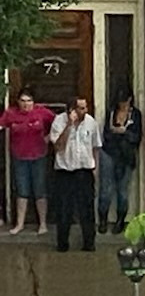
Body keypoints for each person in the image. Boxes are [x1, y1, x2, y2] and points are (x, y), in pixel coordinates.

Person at [48, 96, 100, 252]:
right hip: (65, 172)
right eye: (82, 108)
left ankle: (89, 243)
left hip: (84, 171)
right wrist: (69, 126)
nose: (85, 110)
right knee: (64, 209)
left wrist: (95, 169)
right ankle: (63, 243)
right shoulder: (59, 121)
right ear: (72, 110)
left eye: (85, 107)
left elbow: (95, 146)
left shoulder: (91, 122)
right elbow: (58, 147)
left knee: (87, 209)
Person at [1, 89, 56, 235]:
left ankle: (43, 224)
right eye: (23, 101)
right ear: (18, 102)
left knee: (40, 190)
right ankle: (20, 224)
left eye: (29, 101)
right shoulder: (11, 113)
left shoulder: (42, 112)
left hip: (39, 156)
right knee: (22, 191)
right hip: (19, 157)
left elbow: (58, 122)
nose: (26, 104)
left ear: (34, 102)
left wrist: (50, 136)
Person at [98, 88, 143, 234]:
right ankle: (103, 219)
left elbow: (137, 137)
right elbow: (106, 134)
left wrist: (125, 132)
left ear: (130, 100)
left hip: (126, 155)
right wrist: (114, 132)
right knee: (106, 189)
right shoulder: (111, 112)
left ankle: (120, 220)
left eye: (124, 102)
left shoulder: (135, 115)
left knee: (123, 191)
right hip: (110, 152)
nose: (121, 105)